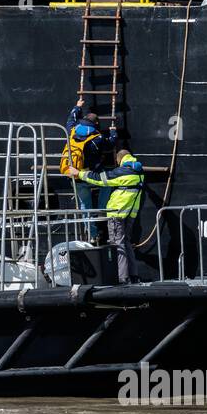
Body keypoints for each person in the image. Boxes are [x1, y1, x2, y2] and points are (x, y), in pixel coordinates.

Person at [78, 149, 144, 284]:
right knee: (126, 243)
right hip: (130, 213)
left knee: (118, 244)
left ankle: (122, 277)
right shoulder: (138, 170)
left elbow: (100, 179)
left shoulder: (123, 171)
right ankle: (133, 275)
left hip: (117, 213)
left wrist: (79, 173)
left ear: (119, 159)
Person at [60, 100, 115, 235]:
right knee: (108, 184)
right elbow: (110, 145)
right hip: (91, 175)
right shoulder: (97, 138)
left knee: (85, 205)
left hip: (75, 176)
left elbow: (71, 119)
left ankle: (92, 234)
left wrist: (77, 107)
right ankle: (102, 209)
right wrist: (113, 133)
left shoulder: (72, 130)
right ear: (96, 124)